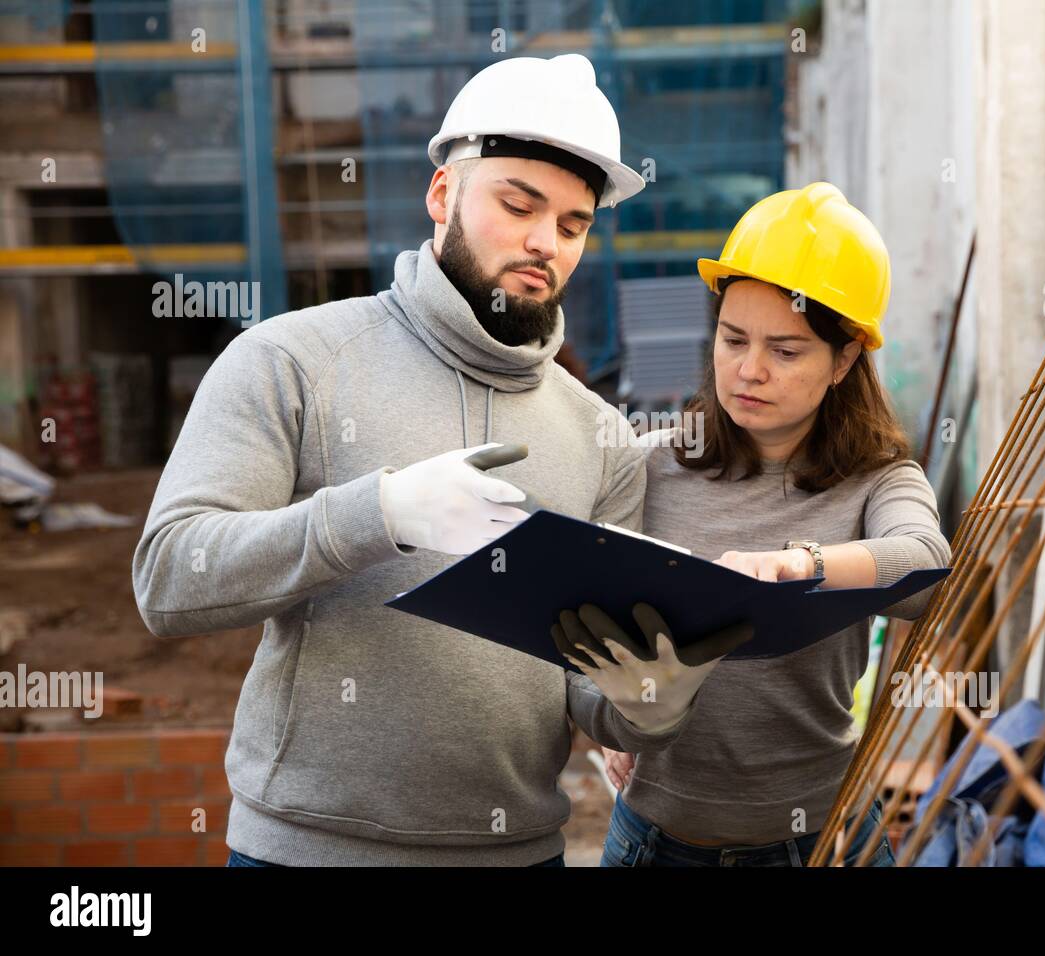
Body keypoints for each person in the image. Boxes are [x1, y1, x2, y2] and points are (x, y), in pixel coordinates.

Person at [132, 53, 723, 867]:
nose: (543, 242)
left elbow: (586, 690)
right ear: (443, 193)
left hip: (520, 854)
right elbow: (168, 581)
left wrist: (646, 706)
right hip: (304, 856)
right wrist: (377, 515)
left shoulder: (598, 435)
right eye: (518, 204)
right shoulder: (292, 360)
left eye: (573, 224)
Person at [555, 182, 952, 867]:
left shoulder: (878, 481)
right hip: (656, 843)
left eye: (787, 350)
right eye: (732, 339)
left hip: (821, 844)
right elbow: (582, 631)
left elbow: (925, 567)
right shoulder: (651, 467)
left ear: (847, 360)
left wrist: (802, 566)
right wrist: (620, 718)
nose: (749, 370)